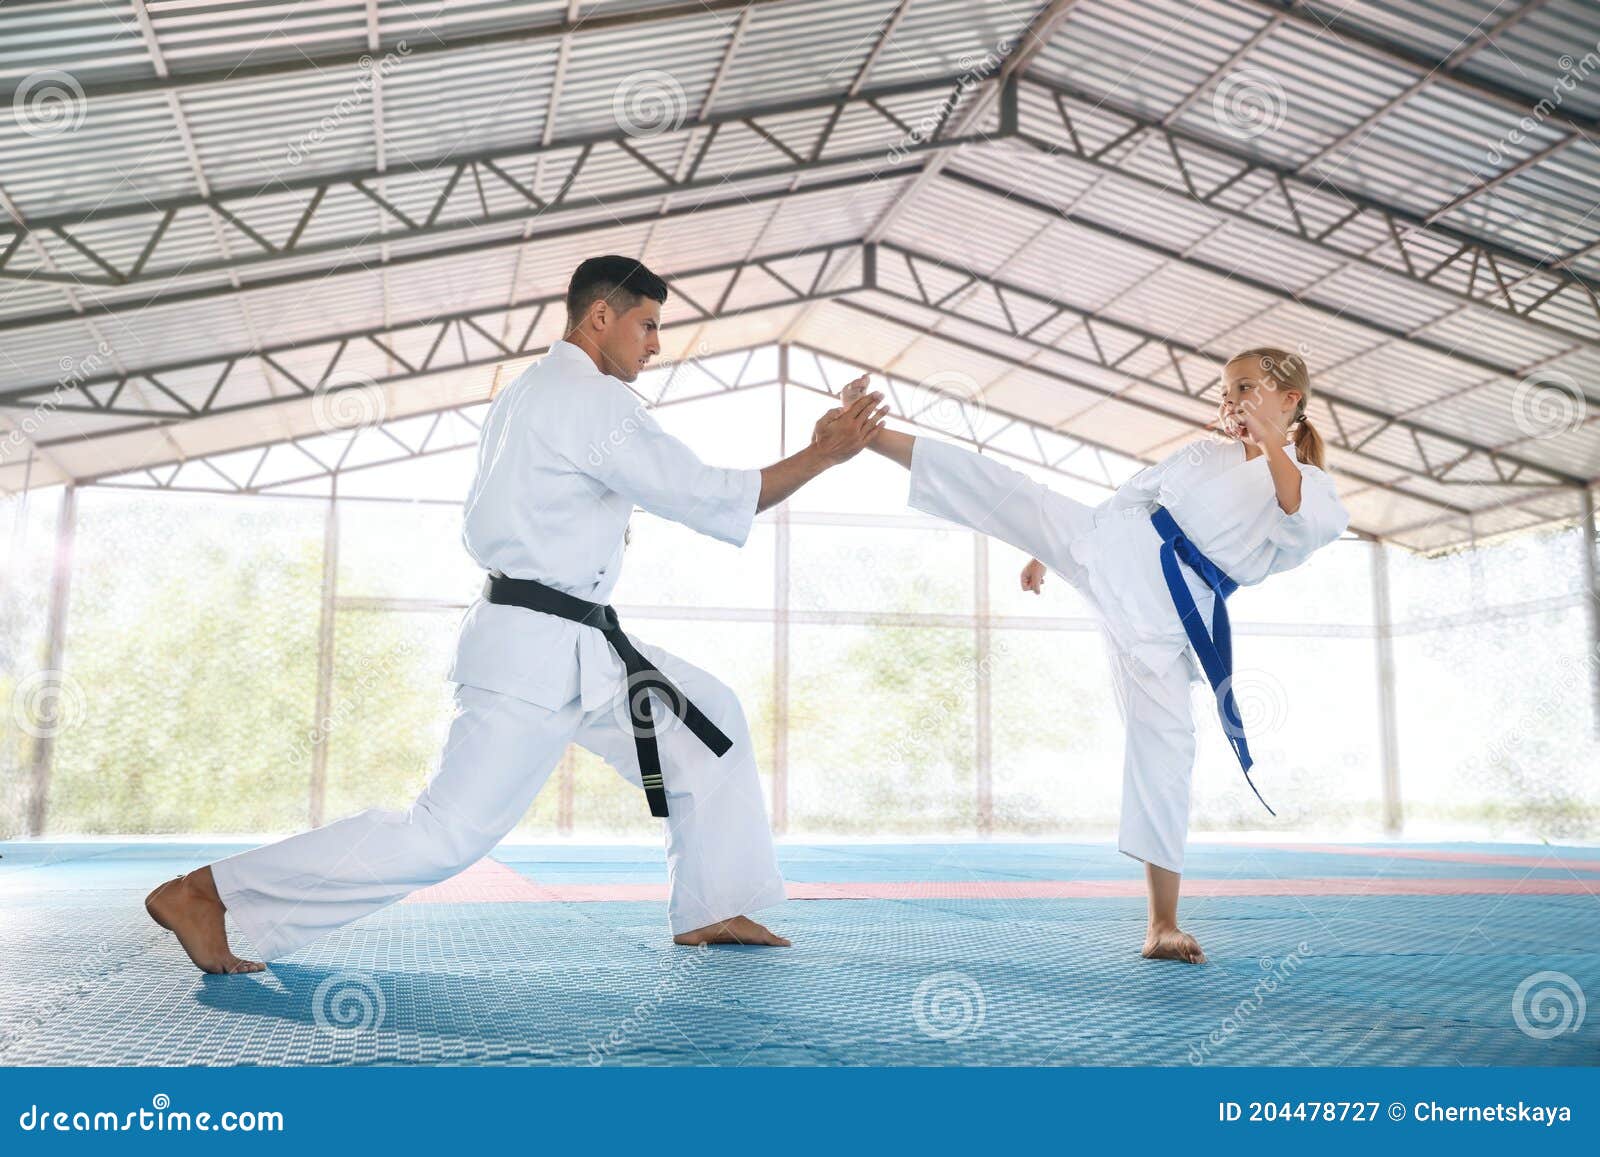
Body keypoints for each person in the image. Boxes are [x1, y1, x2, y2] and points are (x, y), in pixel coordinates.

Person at [146, 255, 887, 973]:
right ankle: (205, 891)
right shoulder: (589, 399)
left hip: (573, 646)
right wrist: (824, 452)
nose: (657, 345)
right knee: (443, 835)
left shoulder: (527, 391)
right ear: (601, 316)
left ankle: (712, 903)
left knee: (708, 725)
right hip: (534, 650)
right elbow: (706, 492)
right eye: (648, 325)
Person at [845, 347, 1349, 963]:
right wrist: (1047, 550)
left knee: (1166, 751)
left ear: (1289, 399)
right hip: (1105, 546)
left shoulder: (1314, 486)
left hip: (1164, 619)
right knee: (1015, 493)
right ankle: (869, 436)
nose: (1230, 401)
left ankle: (1162, 924)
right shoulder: (1202, 453)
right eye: (1224, 390)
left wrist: (1271, 444)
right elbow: (1130, 496)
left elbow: (1299, 524)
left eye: (1244, 387)